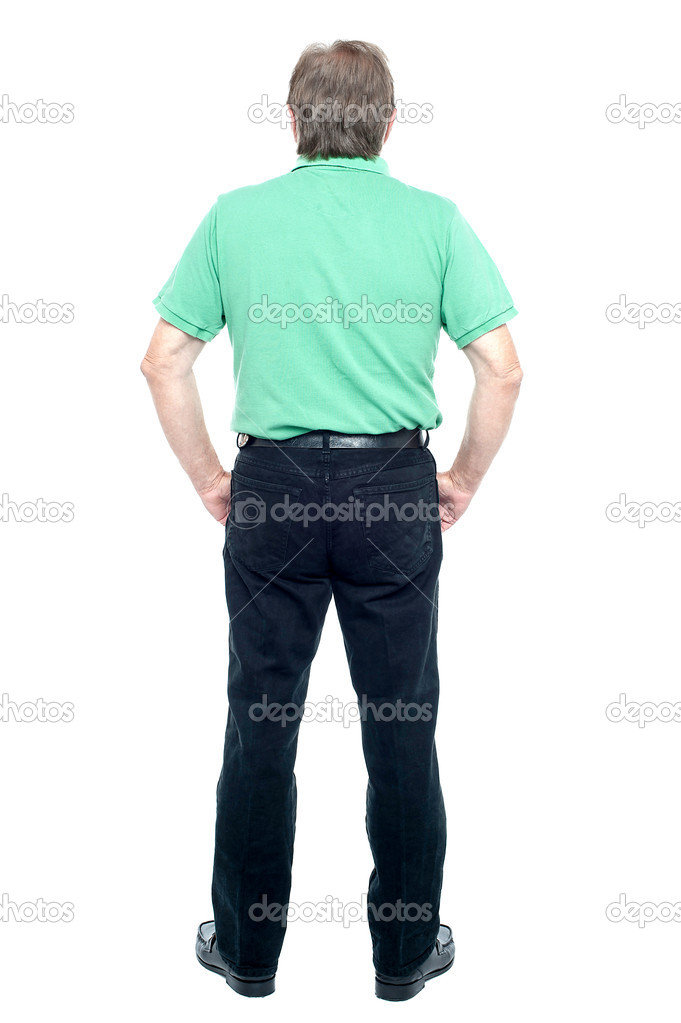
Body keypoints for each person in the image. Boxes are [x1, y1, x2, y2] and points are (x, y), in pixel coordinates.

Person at [141, 39, 522, 1001]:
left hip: (270, 489)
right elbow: (502, 368)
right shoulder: (434, 220)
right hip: (393, 486)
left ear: (293, 120)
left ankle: (247, 953)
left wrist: (212, 479)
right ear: (389, 122)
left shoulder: (235, 217)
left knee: (259, 724)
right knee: (401, 725)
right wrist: (462, 479)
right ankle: (402, 957)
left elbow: (163, 359)